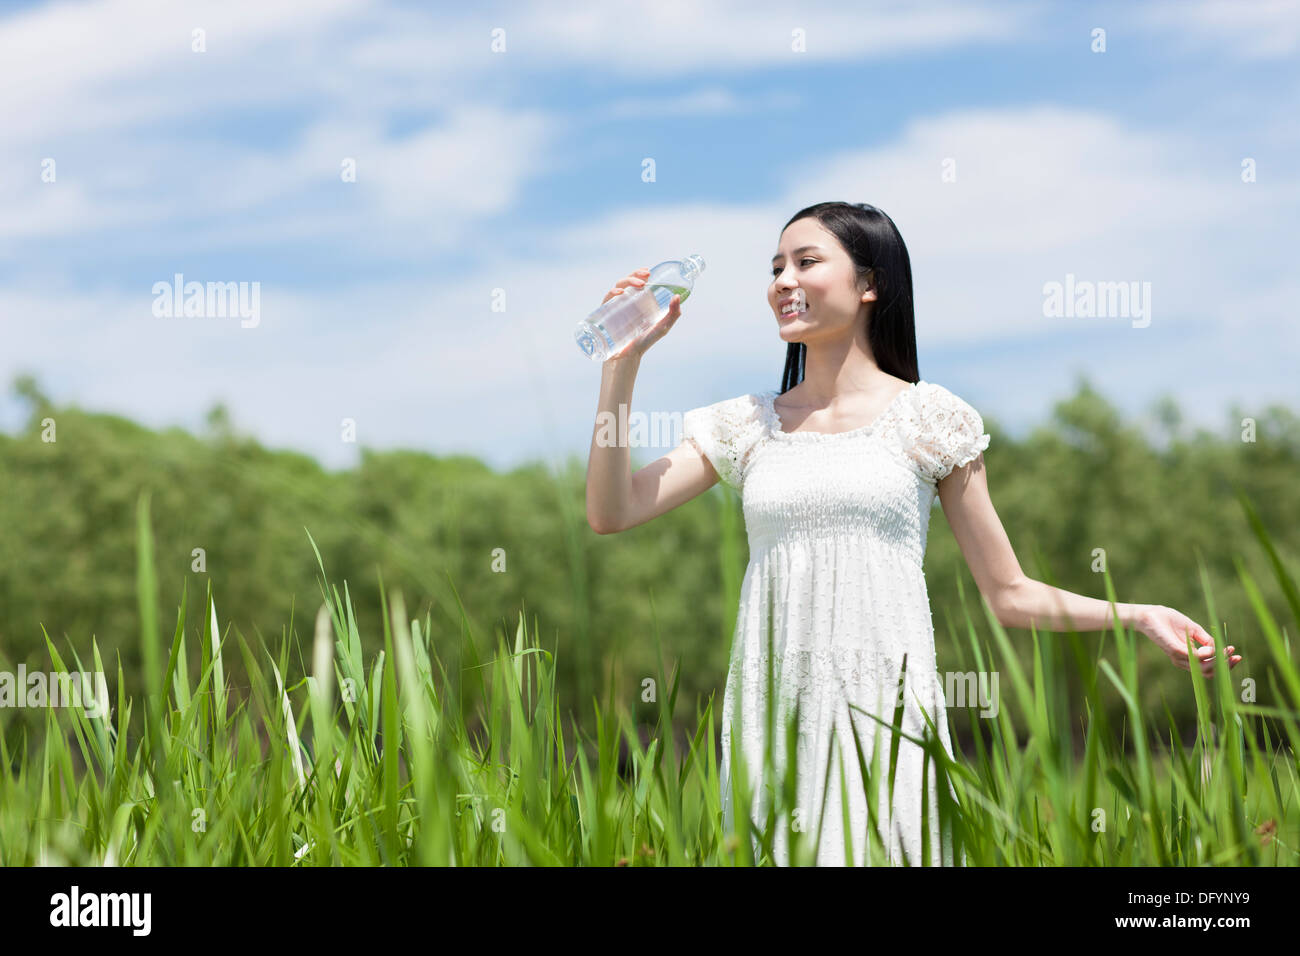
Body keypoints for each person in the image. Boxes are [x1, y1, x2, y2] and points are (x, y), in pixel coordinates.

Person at [584, 201, 1241, 866]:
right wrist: (622, 365)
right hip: (774, 724)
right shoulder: (745, 424)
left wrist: (1135, 615)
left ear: (871, 284)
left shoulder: (931, 419)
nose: (782, 280)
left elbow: (1009, 593)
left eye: (806, 262)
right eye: (776, 266)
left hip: (887, 723)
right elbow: (613, 510)